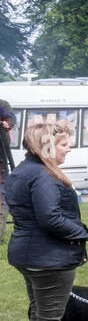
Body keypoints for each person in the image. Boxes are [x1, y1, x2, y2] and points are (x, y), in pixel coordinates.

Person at [4, 121, 88, 321]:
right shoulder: (43, 175)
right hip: (47, 257)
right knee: (48, 318)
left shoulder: (23, 170)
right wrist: (81, 232)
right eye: (64, 144)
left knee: (39, 314)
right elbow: (50, 217)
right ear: (48, 145)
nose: (69, 149)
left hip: (28, 252)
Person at [0, 100, 15, 244]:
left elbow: (10, 117)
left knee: (2, 196)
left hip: (1, 158)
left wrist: (7, 123)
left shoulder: (2, 104)